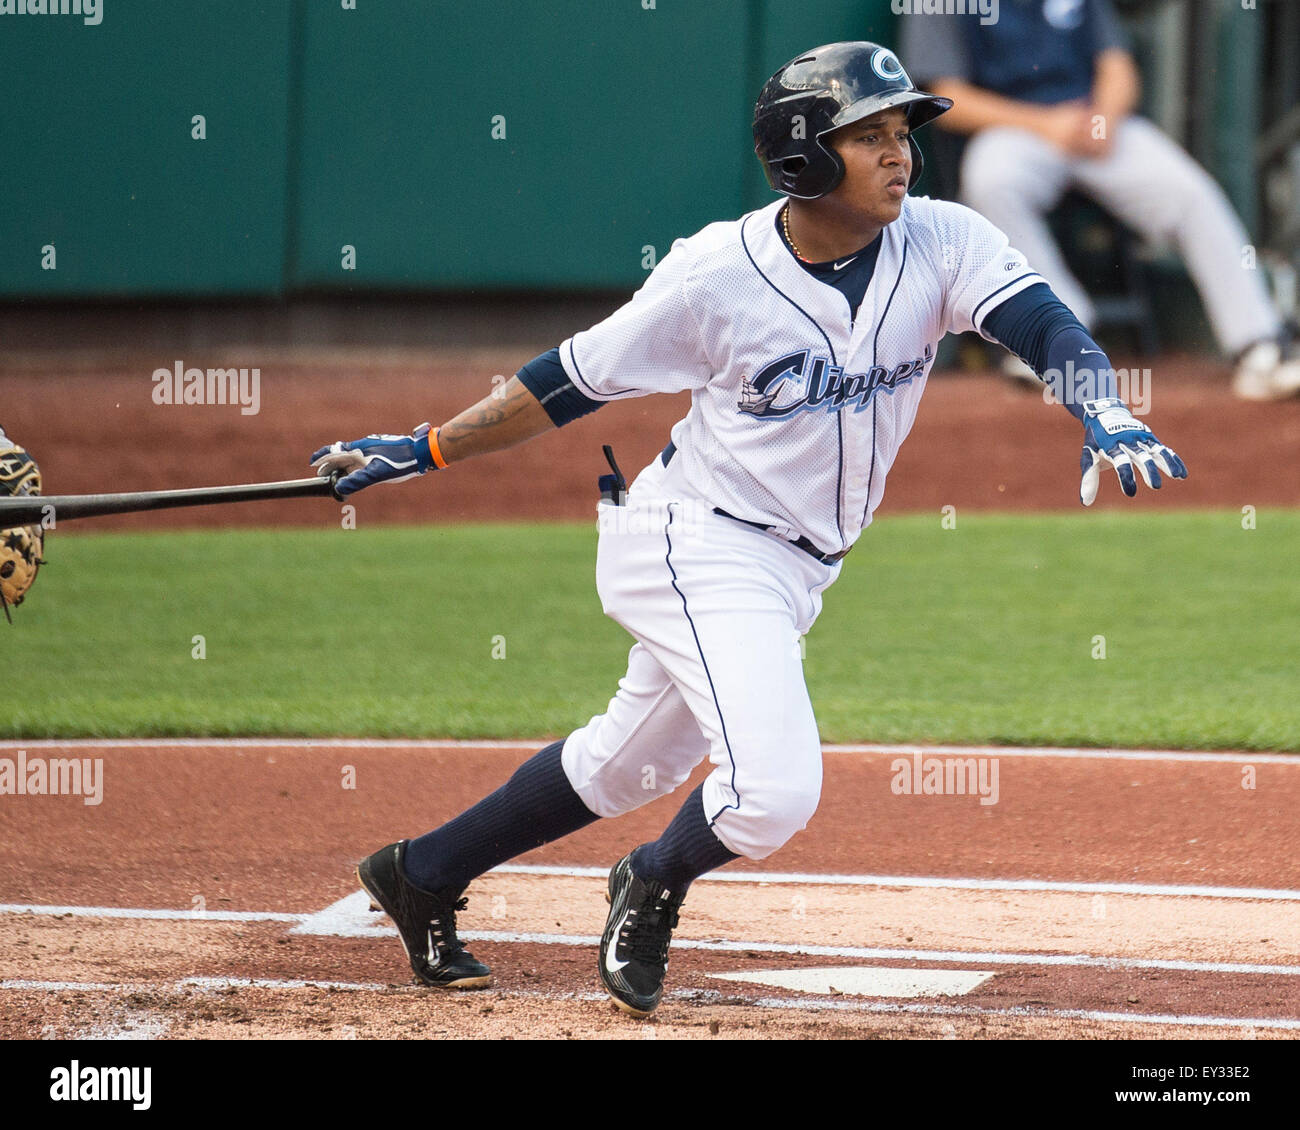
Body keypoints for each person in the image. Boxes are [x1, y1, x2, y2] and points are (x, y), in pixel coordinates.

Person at [310, 41, 1186, 1019]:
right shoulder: (714, 277)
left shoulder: (942, 243)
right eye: (871, 136)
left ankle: (420, 872)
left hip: (797, 563)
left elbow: (1044, 327)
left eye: (903, 133)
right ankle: (651, 878)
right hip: (696, 542)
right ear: (804, 157)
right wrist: (424, 447)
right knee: (770, 792)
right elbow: (564, 381)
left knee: (626, 763)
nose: (901, 154)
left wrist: (1100, 406)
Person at [900, 0, 1300, 400]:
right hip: (1013, 130)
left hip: (1094, 125)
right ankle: (1055, 340)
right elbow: (950, 99)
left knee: (1191, 191)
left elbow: (1118, 67)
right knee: (991, 182)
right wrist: (1046, 125)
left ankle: (1259, 344)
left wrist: (1102, 120)